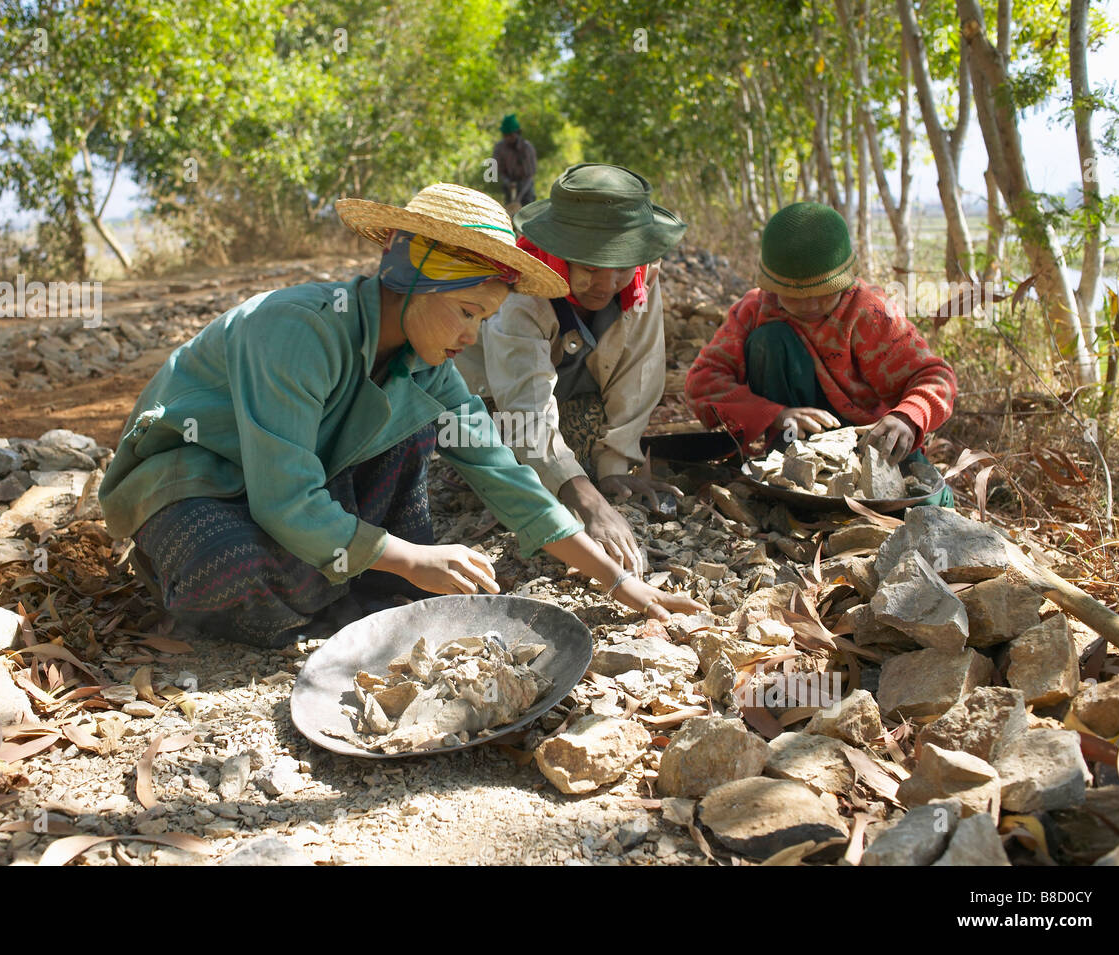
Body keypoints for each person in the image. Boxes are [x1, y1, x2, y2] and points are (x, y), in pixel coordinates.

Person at [98, 182, 702, 649]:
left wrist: (618, 581)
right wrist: (411, 559)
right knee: (228, 570)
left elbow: (501, 470)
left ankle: (340, 573)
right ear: (412, 277)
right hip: (199, 483)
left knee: (413, 439)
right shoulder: (294, 328)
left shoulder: (427, 364)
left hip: (294, 485)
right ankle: (191, 566)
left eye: (484, 320)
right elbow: (283, 500)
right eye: (466, 311)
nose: (472, 336)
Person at [456, 164, 687, 574]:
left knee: (589, 439)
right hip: (498, 402)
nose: (608, 282)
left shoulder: (641, 274)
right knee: (512, 467)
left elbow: (640, 369)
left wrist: (616, 467)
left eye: (621, 267)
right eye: (592, 266)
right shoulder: (519, 291)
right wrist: (589, 500)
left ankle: (578, 472)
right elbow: (523, 408)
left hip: (571, 388)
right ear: (561, 253)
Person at [683, 201, 956, 506]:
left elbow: (935, 376)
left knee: (927, 504)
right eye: (796, 296)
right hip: (793, 441)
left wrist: (908, 417)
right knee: (769, 339)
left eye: (824, 293)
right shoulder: (755, 309)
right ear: (771, 284)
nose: (810, 305)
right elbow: (701, 382)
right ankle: (782, 463)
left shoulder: (870, 311)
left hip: (871, 439)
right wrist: (774, 414)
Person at [492, 114, 537, 211]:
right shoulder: (500, 148)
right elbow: (500, 170)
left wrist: (518, 198)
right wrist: (508, 182)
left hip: (526, 187)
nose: (508, 138)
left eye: (511, 135)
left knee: (528, 213)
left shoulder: (527, 148)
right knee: (510, 213)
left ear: (517, 133)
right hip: (509, 185)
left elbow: (529, 176)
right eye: (506, 135)